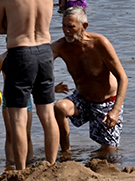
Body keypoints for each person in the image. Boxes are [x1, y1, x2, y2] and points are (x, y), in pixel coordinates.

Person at [0, 0, 59, 168]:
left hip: (20, 53)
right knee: (47, 114)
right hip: (44, 51)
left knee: (18, 118)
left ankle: (20, 169)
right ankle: (51, 164)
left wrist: (14, 27)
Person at [51, 8, 128, 156]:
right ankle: (66, 153)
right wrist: (50, 87)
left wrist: (115, 111)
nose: (66, 31)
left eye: (71, 27)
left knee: (108, 153)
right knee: (60, 107)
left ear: (84, 26)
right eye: (64, 26)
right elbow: (40, 64)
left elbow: (123, 78)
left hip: (107, 102)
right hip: (82, 99)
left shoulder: (99, 43)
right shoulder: (61, 46)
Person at [0, 49, 35, 169]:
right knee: (10, 134)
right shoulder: (2, 59)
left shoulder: (27, 56)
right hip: (8, 98)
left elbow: (36, 79)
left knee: (27, 134)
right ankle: (10, 164)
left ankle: (30, 162)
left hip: (25, 98)